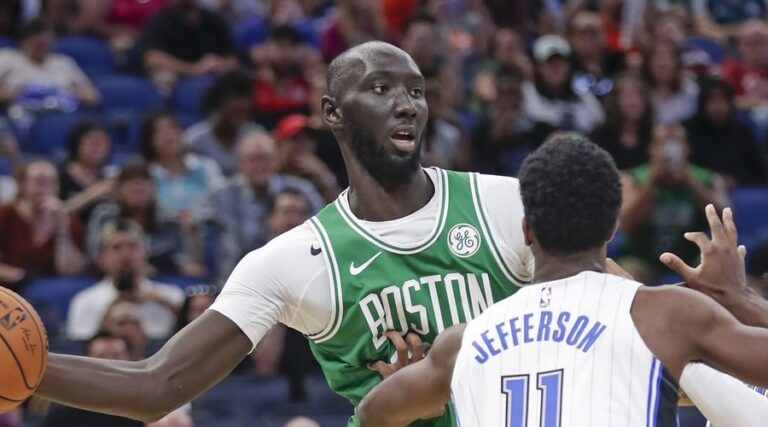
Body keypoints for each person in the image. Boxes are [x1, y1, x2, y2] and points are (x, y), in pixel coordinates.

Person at [31, 42, 767, 427]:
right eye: (380, 88)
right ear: (332, 112)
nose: (406, 102)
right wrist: (30, 367)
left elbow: (624, 334)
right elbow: (158, 385)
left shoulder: (508, 203)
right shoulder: (293, 258)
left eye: (416, 89)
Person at [356, 136, 768, 427]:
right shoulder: (665, 316)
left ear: (526, 231)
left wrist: (419, 396)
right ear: (612, 228)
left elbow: (372, 413)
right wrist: (741, 299)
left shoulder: (462, 343)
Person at [204, 129, 324, 279]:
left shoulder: (302, 189)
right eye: (253, 159)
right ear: (239, 164)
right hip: (236, 275)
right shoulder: (222, 194)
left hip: (296, 271)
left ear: (277, 160)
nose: (260, 165)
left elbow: (321, 230)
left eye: (265, 158)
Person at [619, 124, 729, 284]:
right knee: (626, 275)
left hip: (692, 256)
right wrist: (651, 182)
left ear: (687, 149)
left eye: (676, 145)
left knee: (718, 269)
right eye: (663, 144)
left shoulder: (708, 179)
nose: (669, 152)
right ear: (651, 149)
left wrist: (691, 182)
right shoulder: (632, 178)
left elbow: (725, 223)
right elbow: (626, 224)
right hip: (643, 258)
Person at [68, 218, 184, 340]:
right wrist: (111, 309)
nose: (126, 254)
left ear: (145, 254)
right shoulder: (85, 302)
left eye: (133, 246)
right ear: (102, 258)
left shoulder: (172, 295)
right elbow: (81, 347)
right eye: (116, 247)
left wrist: (164, 302)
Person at [87, 158, 205, 277]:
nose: (137, 187)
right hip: (112, 281)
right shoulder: (105, 216)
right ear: (118, 190)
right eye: (129, 181)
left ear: (154, 188)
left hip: (162, 282)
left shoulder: (171, 221)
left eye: (144, 181)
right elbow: (96, 259)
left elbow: (187, 265)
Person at [0, 160, 86, 288]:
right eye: (39, 181)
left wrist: (62, 228)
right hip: (11, 287)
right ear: (23, 185)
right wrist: (12, 274)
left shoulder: (69, 219)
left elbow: (70, 271)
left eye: (51, 182)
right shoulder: (5, 213)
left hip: (51, 287)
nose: (45, 188)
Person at [42, 332, 142, 427]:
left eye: (117, 355)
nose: (111, 362)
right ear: (87, 362)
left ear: (130, 358)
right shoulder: (65, 410)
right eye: (102, 356)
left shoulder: (142, 406)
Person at [140, 110, 225, 220]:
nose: (168, 135)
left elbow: (222, 201)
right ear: (150, 140)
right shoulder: (146, 174)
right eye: (159, 132)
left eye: (172, 128)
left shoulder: (207, 166)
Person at [684, 77, 767, 186]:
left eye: (722, 99)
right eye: (712, 100)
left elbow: (758, 171)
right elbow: (684, 167)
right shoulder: (688, 130)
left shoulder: (741, 130)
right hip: (698, 187)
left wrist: (734, 180)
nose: (717, 105)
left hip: (740, 188)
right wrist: (710, 178)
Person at [139, 0, 238, 93]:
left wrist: (221, 66)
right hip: (178, 77)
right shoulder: (160, 21)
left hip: (213, 78)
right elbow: (153, 59)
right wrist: (195, 69)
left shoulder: (213, 20)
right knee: (164, 77)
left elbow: (232, 58)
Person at [0, 18, 100, 109]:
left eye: (46, 44)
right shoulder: (8, 57)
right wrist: (19, 91)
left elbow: (92, 96)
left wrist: (66, 92)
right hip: (22, 112)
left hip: (60, 110)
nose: (42, 48)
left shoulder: (63, 62)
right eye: (37, 45)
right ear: (24, 41)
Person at [522, 34, 605, 135]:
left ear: (570, 66)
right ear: (538, 67)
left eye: (560, 63)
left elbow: (600, 127)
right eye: (550, 64)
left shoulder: (585, 98)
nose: (556, 69)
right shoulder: (525, 96)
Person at [184, 71, 262, 177]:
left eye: (243, 114)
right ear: (218, 104)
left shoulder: (256, 135)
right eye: (234, 113)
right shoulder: (195, 140)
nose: (238, 120)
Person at [590, 72, 654, 170]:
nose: (634, 102)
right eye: (627, 96)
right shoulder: (600, 137)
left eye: (639, 95)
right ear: (615, 101)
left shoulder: (654, 135)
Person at [59, 120, 115, 222]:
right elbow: (57, 213)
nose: (97, 147)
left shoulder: (110, 178)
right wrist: (95, 193)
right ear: (77, 143)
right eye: (92, 142)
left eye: (102, 142)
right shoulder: (60, 177)